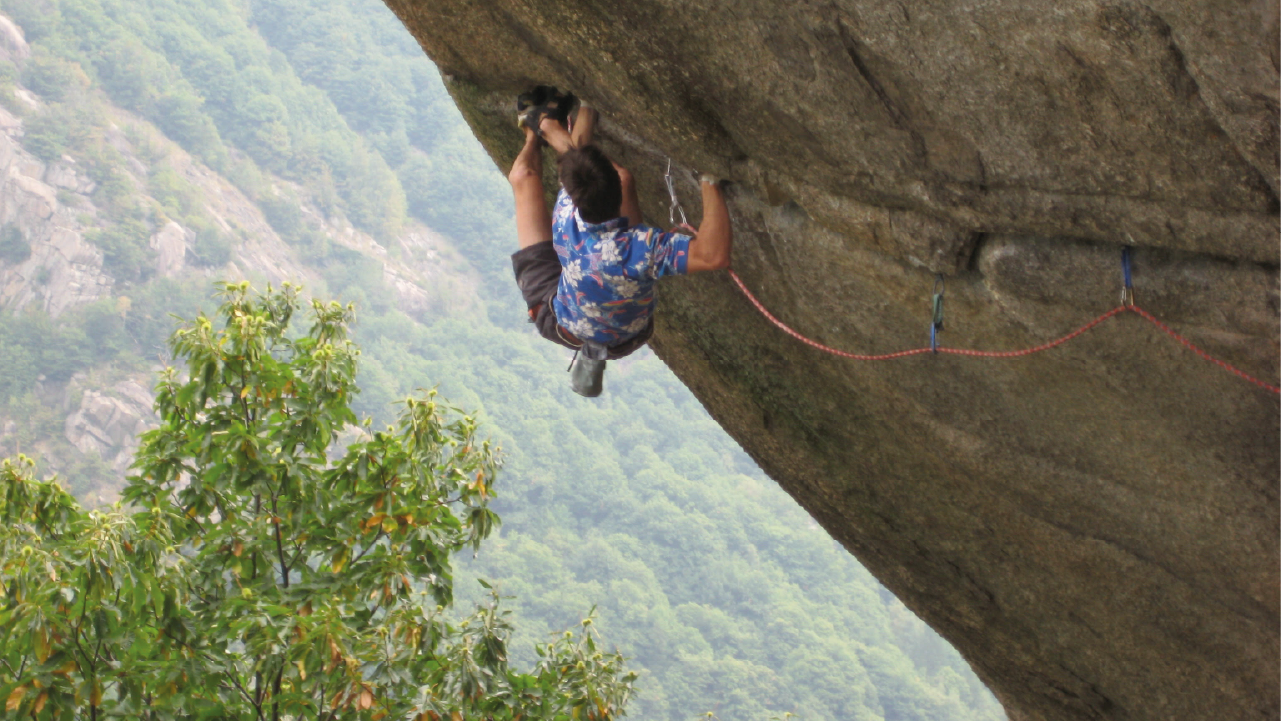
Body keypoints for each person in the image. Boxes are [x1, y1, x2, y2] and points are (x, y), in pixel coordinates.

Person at [506, 87, 732, 394]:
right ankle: (544, 125)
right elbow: (712, 256)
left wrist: (582, 110)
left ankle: (539, 126)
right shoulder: (636, 249)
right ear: (616, 193)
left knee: (522, 177)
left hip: (564, 313)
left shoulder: (566, 214)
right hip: (610, 327)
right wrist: (709, 180)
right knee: (610, 178)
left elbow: (581, 165)